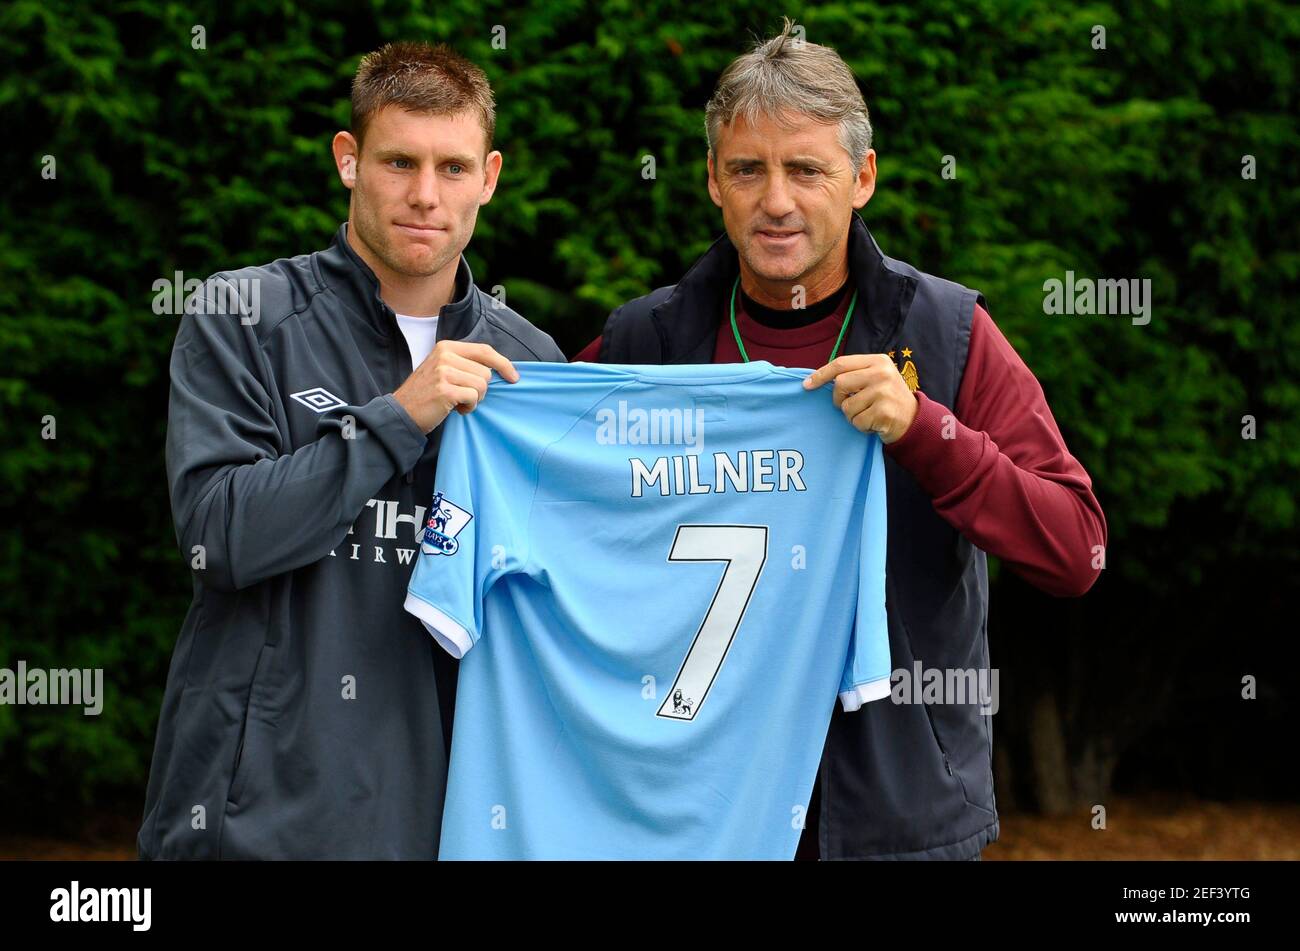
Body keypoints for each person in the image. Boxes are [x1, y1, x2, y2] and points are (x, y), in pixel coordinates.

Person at [574, 20, 1107, 860]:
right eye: (748, 169)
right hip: (689, 811)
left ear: (861, 178)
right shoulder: (650, 339)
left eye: (806, 170)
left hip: (894, 821)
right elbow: (553, 503)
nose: (775, 200)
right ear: (713, 179)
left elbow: (1077, 549)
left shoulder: (947, 332)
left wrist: (927, 430)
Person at [139, 41, 562, 859]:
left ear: (492, 175)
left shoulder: (529, 362)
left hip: (448, 821)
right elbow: (219, 535)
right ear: (348, 159)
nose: (425, 195)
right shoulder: (243, 315)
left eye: (453, 167)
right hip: (255, 822)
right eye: (399, 161)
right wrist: (400, 415)